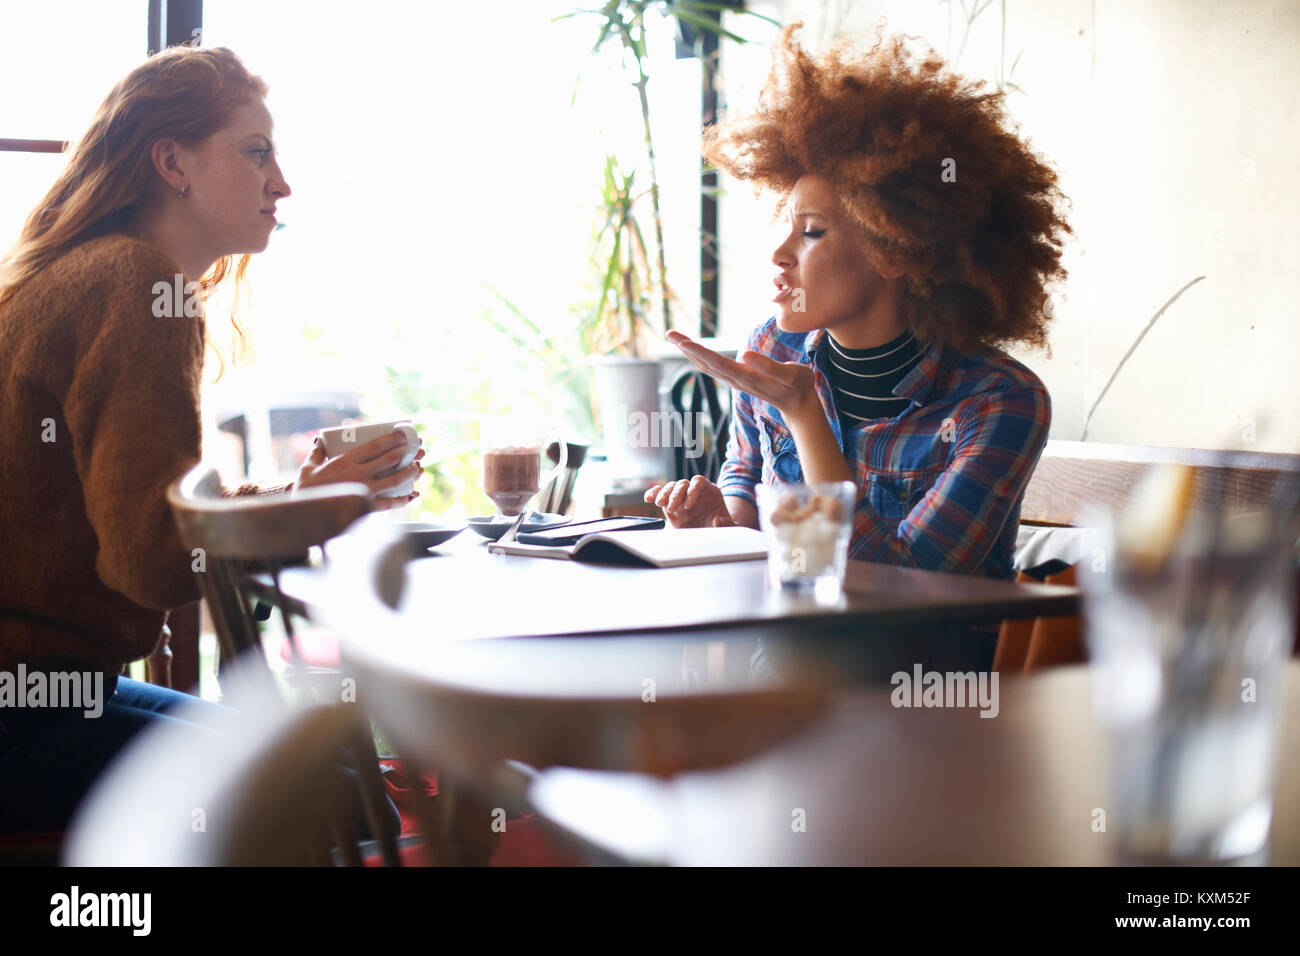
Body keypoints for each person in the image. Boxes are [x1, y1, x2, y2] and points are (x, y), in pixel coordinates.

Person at [0, 45, 416, 833]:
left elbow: (142, 520)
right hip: (23, 720)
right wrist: (313, 507)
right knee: (348, 800)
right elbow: (152, 558)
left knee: (341, 777)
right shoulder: (134, 283)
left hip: (50, 694)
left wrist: (298, 494)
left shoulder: (93, 275)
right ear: (172, 163)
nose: (281, 182)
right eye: (255, 152)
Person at [647, 24, 1072, 587]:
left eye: (813, 232)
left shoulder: (998, 403)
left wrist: (805, 415)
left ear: (892, 250)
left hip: (924, 671)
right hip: (784, 652)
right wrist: (711, 522)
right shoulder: (774, 349)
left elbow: (905, 584)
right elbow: (749, 507)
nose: (780, 254)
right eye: (788, 227)